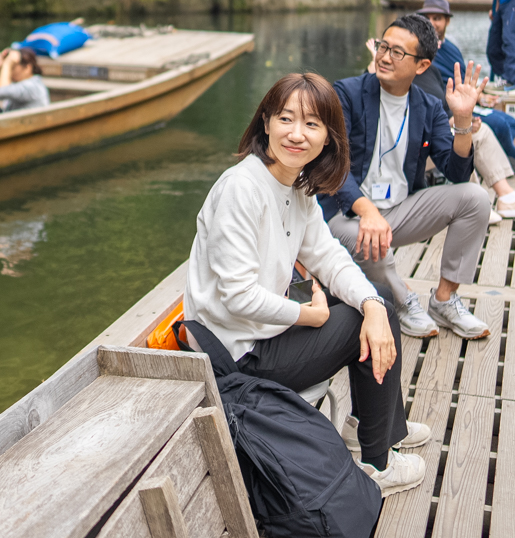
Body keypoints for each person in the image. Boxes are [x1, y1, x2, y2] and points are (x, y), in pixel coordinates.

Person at [184, 71, 430, 495]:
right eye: (286, 119)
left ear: (328, 137)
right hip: (235, 355)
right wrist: (310, 316)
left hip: (260, 331)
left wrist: (370, 303)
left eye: (312, 123)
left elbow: (328, 256)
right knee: (366, 320)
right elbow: (237, 296)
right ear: (266, 122)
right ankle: (378, 463)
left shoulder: (297, 185)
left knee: (373, 305)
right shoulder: (242, 188)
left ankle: (368, 426)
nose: (297, 134)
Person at [322, 12, 494, 340]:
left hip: (400, 209)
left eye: (398, 52)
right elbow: (334, 165)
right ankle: (402, 301)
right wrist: (367, 211)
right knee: (367, 238)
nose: (385, 57)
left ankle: (444, 300)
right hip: (347, 214)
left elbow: (457, 173)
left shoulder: (428, 107)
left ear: (422, 65)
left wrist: (462, 121)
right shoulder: (346, 93)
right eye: (383, 46)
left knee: (475, 198)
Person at [384, 0, 515, 223]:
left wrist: (461, 120)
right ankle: (475, 203)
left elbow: (442, 112)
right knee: (469, 134)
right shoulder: (391, 79)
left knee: (479, 131)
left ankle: (506, 197)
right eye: (387, 48)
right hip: (409, 151)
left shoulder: (431, 71)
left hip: (435, 138)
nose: (390, 55)